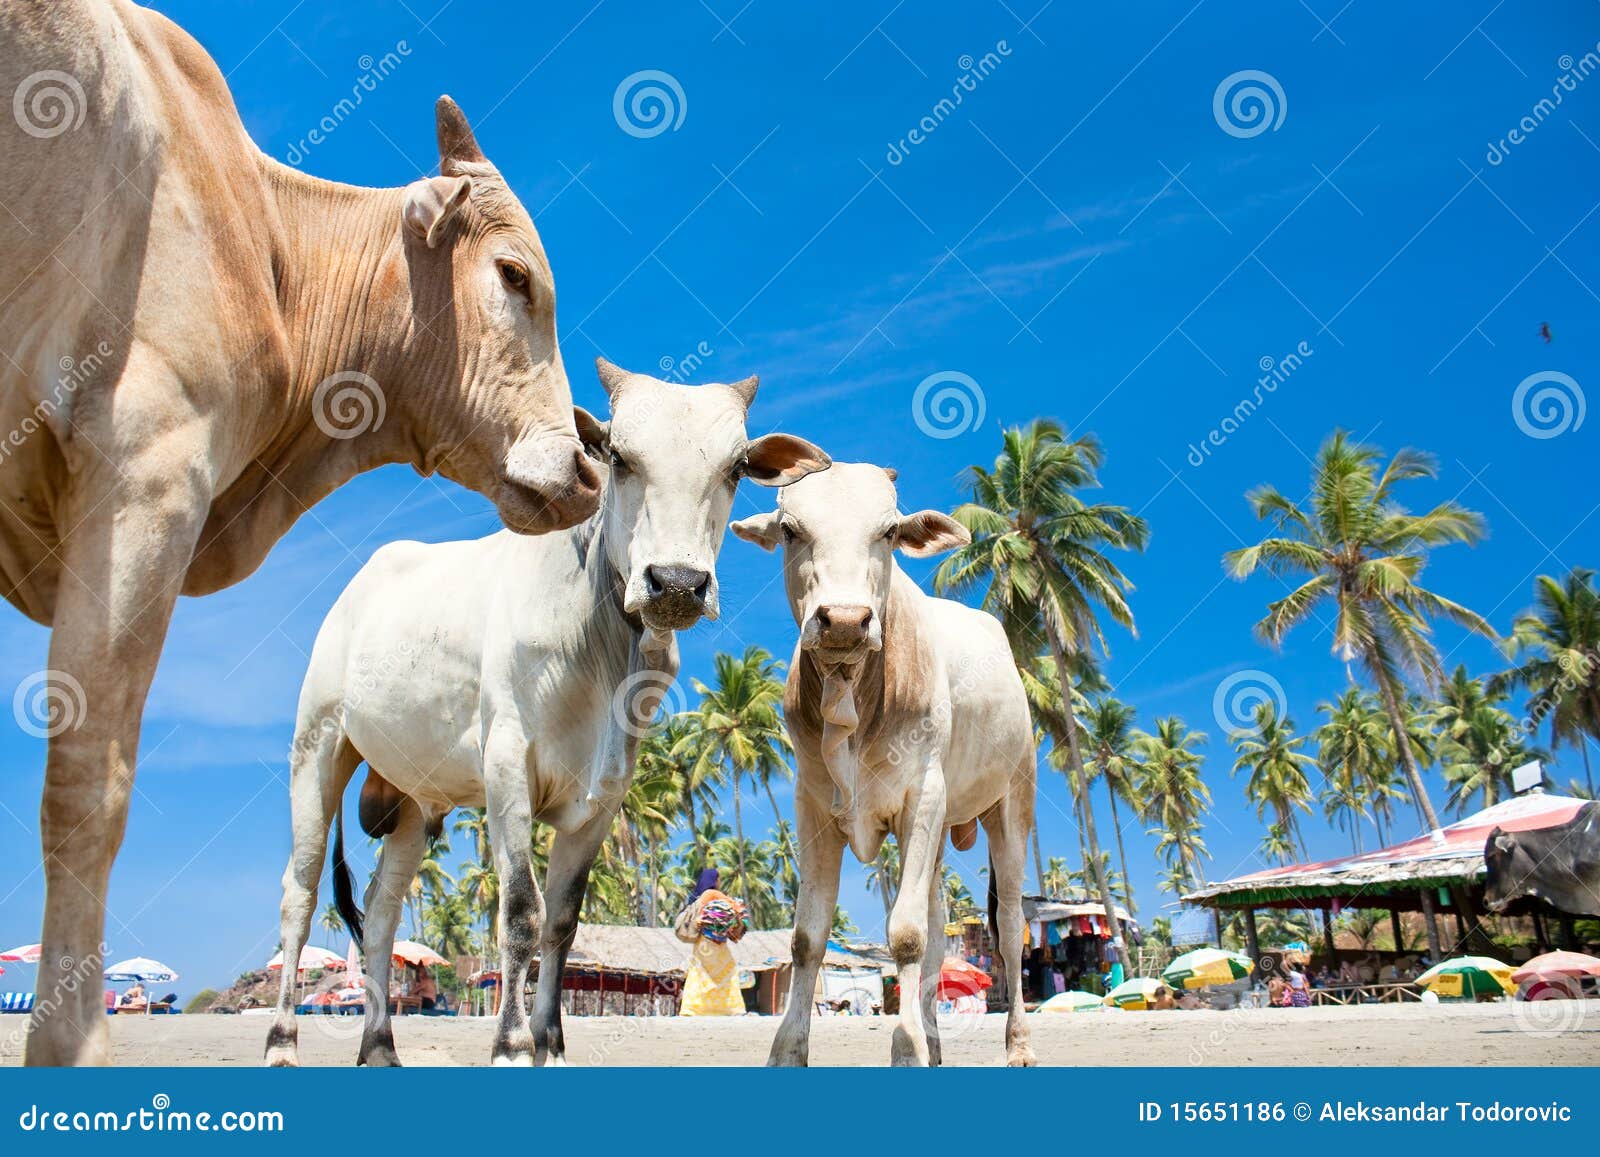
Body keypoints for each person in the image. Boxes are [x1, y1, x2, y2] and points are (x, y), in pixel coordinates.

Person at [674, 868, 749, 1017]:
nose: (719, 882)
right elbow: (736, 908)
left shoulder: (696, 898)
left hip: (701, 944)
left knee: (698, 974)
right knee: (727, 970)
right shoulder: (712, 894)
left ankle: (693, 1009)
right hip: (716, 944)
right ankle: (732, 1008)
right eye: (719, 878)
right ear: (714, 880)